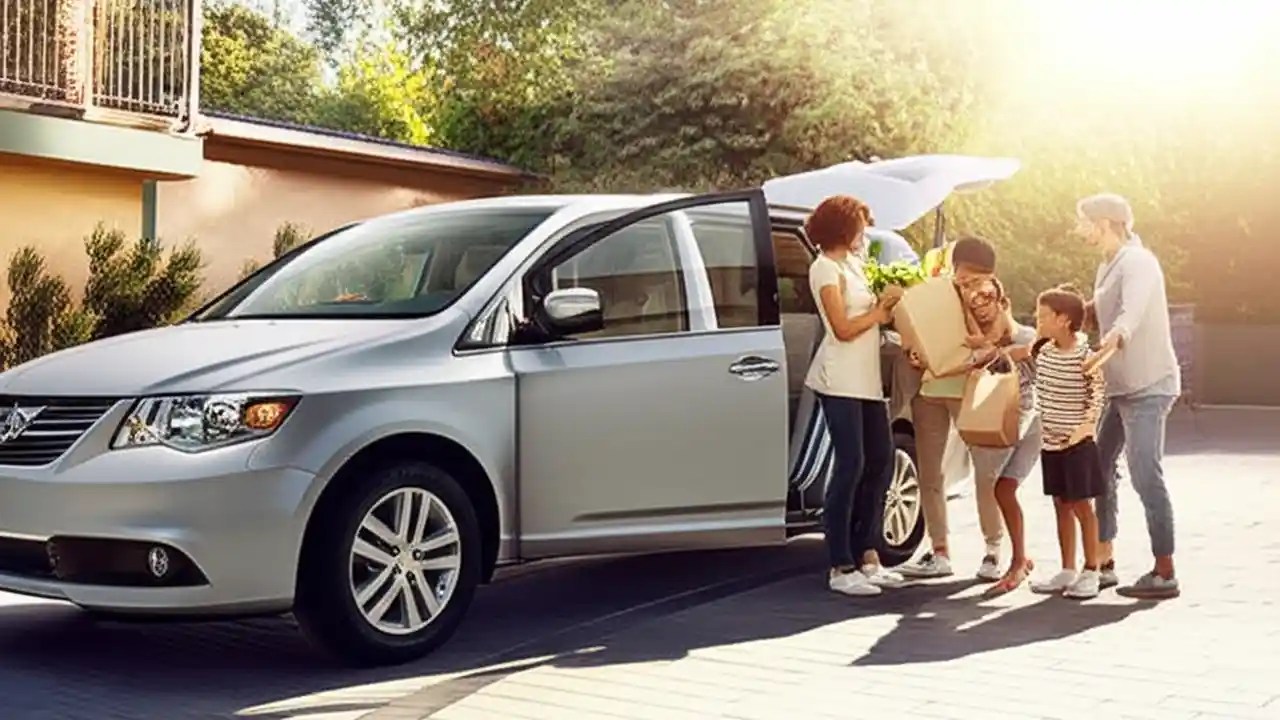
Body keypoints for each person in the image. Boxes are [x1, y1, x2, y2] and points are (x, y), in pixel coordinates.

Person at [1077, 193, 1181, 599]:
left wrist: (1115, 337)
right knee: (1099, 467)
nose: (1078, 229)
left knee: (1144, 472)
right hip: (1122, 389)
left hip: (1149, 386)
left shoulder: (1139, 262)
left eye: (1082, 221)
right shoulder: (1107, 264)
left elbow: (1130, 313)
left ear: (1104, 223)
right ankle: (1104, 560)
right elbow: (1103, 308)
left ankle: (1165, 570)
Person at [804, 195, 903, 597]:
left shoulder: (856, 265)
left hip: (866, 379)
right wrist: (879, 314)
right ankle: (840, 564)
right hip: (840, 378)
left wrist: (891, 308)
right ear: (844, 228)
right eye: (861, 224)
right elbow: (841, 328)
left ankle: (869, 555)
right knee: (850, 465)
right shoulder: (825, 268)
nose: (865, 232)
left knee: (881, 460)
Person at [898, 236, 1006, 582]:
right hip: (930, 390)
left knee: (986, 472)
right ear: (954, 266)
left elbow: (994, 343)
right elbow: (914, 330)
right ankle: (939, 551)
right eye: (965, 272)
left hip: (971, 391)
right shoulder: (933, 292)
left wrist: (970, 305)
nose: (968, 279)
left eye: (978, 274)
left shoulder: (990, 299)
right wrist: (912, 351)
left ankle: (993, 550)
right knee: (930, 474)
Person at [1028, 285, 1107, 599]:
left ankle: (1092, 571)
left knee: (1081, 506)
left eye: (1044, 316)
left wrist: (1085, 428)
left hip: (1078, 443)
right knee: (1060, 503)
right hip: (1050, 442)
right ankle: (1067, 569)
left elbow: (1096, 395)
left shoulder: (1085, 356)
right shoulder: (1044, 351)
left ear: (1063, 319)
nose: (1038, 321)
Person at [965, 277, 1043, 596]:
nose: (983, 310)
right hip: (1006, 421)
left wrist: (1009, 352)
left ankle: (1023, 562)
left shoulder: (1028, 337)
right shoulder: (978, 343)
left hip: (1034, 422)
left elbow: (1048, 377)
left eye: (988, 300)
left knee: (1005, 488)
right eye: (975, 305)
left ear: (1004, 302)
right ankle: (1019, 561)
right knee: (1003, 488)